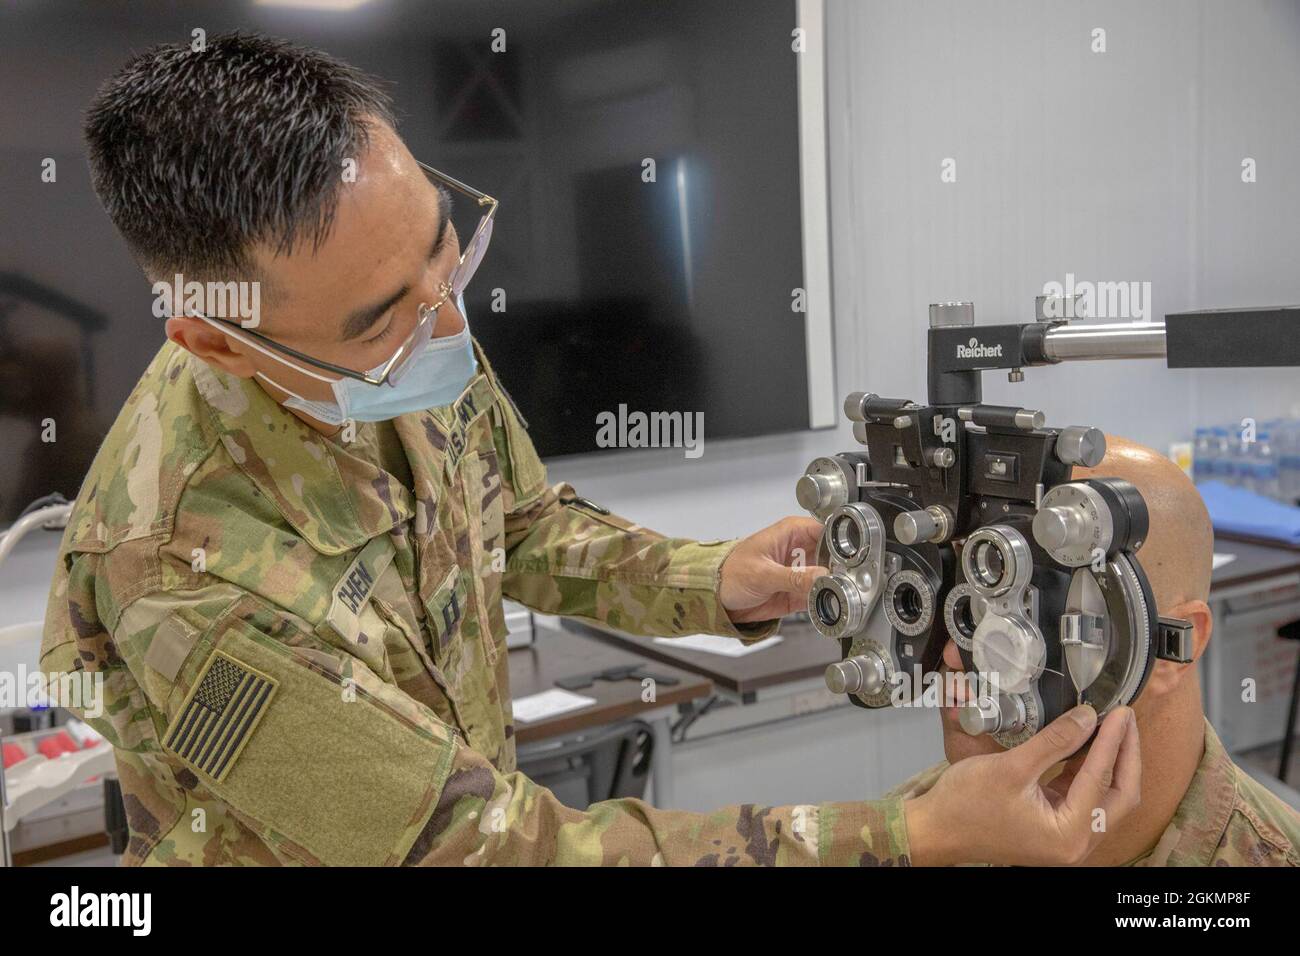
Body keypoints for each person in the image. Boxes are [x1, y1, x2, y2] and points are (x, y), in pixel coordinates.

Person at [40, 32, 1138, 866]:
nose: (451, 328)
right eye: (384, 321)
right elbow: (483, 847)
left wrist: (712, 580)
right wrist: (909, 832)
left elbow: (518, 525)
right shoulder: (178, 571)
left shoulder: (401, 336)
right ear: (211, 333)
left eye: (446, 252)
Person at [889, 435, 1300, 866]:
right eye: (969, 606)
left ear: (1172, 651)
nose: (953, 658)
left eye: (1042, 616)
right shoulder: (914, 831)